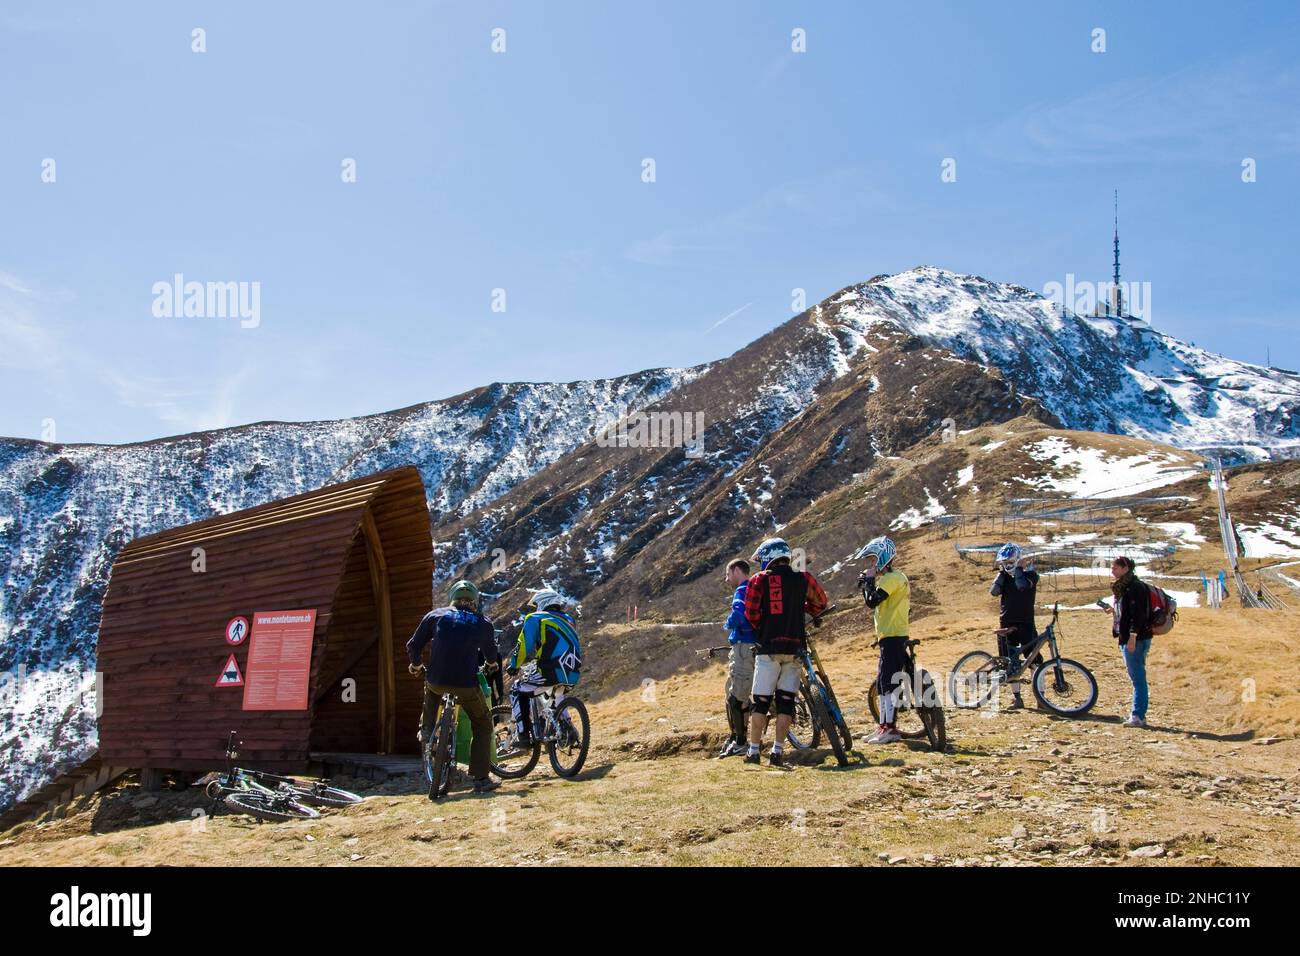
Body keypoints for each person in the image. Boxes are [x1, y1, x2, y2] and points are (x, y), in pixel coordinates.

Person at [406, 579, 501, 794]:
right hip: (466, 684)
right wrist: (491, 664)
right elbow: (491, 653)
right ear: (474, 602)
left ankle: (427, 731)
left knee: (430, 693)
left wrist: (416, 664)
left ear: (452, 599)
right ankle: (481, 779)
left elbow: (413, 645)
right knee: (483, 723)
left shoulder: (435, 615)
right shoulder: (482, 622)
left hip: (437, 680)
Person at [742, 538, 828, 767]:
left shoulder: (758, 580)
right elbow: (821, 602)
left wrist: (765, 626)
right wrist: (803, 608)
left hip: (768, 648)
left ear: (767, 558)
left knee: (760, 702)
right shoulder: (803, 577)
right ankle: (778, 751)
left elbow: (750, 613)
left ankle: (753, 751)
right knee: (786, 702)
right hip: (795, 648)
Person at [505, 588, 583, 747]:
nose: (535, 608)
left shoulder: (535, 618)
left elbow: (524, 646)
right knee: (555, 694)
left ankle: (524, 736)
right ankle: (568, 729)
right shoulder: (569, 620)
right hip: (572, 671)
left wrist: (514, 665)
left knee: (517, 689)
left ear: (542, 602)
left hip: (549, 669)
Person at [857, 535, 910, 744]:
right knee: (881, 682)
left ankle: (890, 728)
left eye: (872, 560)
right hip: (889, 635)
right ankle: (883, 726)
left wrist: (868, 583)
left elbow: (873, 602)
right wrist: (867, 584)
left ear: (882, 558)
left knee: (888, 682)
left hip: (894, 635)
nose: (871, 564)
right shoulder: (892, 578)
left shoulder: (892, 579)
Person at [989, 542, 1040, 709]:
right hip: (1006, 624)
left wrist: (1018, 569)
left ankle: (1041, 698)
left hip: (1025, 623)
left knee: (1034, 660)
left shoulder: (1031, 575)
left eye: (1010, 563)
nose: (1007, 566)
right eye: (1004, 564)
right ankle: (1017, 698)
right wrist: (1001, 575)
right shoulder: (1004, 578)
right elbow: (994, 592)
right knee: (1010, 663)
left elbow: (1022, 586)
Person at [718, 558, 757, 758]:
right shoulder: (757, 587)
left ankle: (740, 741)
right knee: (734, 691)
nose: (727, 579)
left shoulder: (742, 590)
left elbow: (739, 615)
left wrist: (728, 623)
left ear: (736, 570)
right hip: (755, 644)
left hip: (744, 645)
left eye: (727, 574)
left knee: (737, 696)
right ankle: (736, 736)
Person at [1107, 556, 1152, 728]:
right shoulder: (1124, 587)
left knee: (1138, 678)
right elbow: (1126, 612)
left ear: (1125, 568)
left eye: (1115, 568)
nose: (1112, 570)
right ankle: (1138, 713)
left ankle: (1138, 716)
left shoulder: (1134, 587)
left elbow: (1138, 614)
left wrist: (1133, 636)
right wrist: (1112, 611)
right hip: (1129, 637)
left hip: (1136, 639)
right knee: (1137, 677)